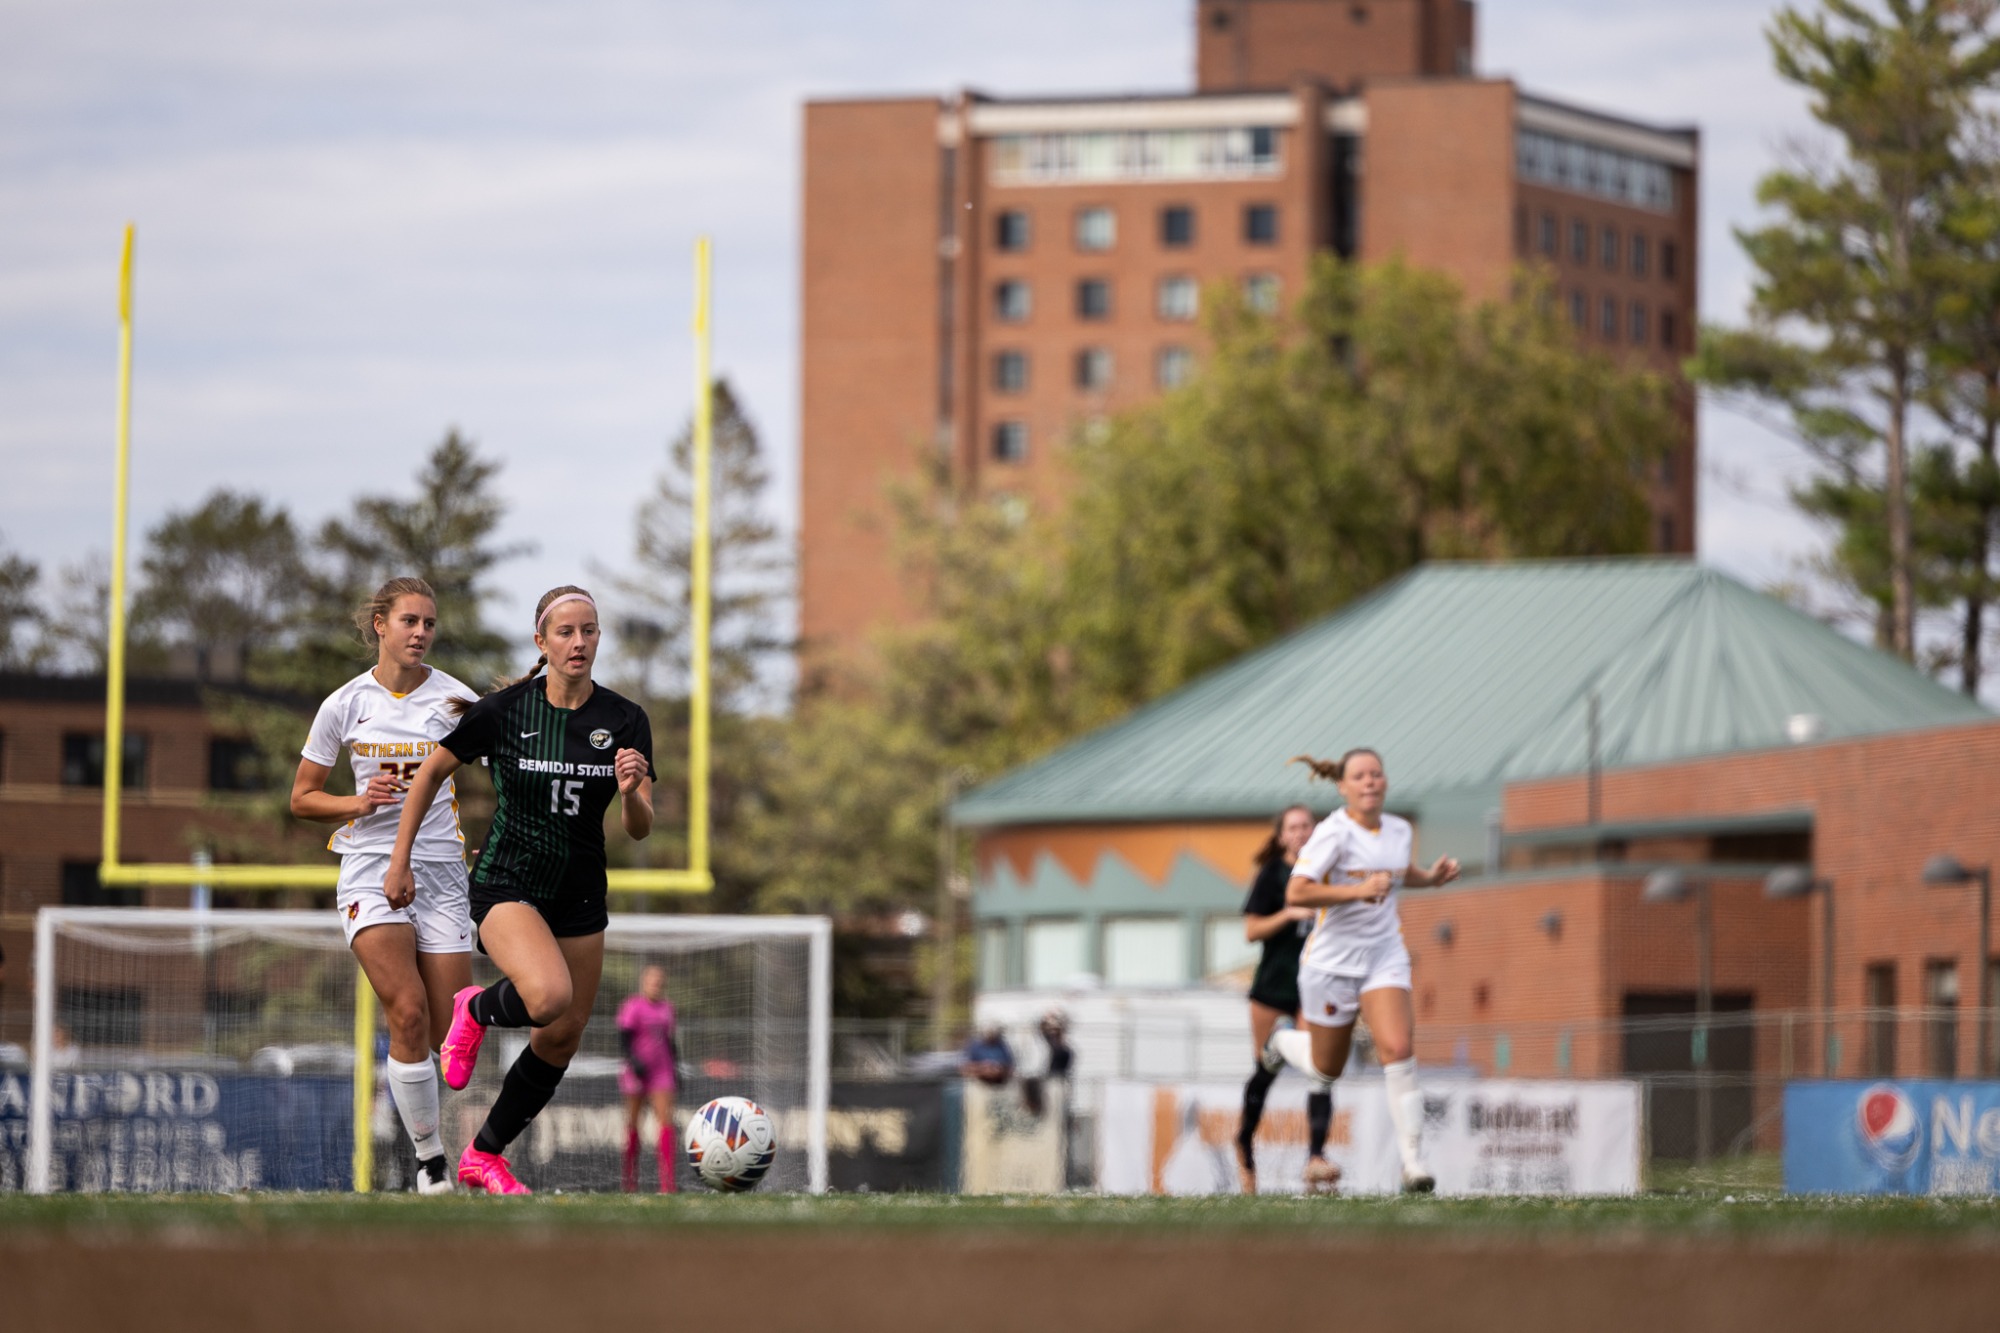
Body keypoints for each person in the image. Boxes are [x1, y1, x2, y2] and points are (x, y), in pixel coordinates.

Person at [386, 584, 655, 1196]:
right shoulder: (506, 710)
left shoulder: (624, 719)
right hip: (509, 883)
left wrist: (634, 788)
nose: (579, 642)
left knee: (562, 1033)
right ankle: (473, 1008)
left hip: (580, 894)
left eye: (589, 630)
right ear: (541, 641)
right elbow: (430, 771)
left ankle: (483, 1155)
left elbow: (638, 829)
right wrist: (399, 859)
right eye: (565, 632)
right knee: (547, 995)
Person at [291, 576, 474, 1195]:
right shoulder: (344, 704)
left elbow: (507, 766)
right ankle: (429, 1162)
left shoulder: (456, 700)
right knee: (408, 1011)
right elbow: (302, 798)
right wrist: (357, 800)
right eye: (409, 622)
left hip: (443, 871)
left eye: (428, 624)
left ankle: (430, 1140)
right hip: (369, 865)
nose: (420, 633)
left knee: (448, 1031)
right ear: (380, 624)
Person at [1260, 750, 1459, 1194]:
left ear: (1385, 783)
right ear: (1343, 787)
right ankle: (1281, 1040)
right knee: (1325, 1070)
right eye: (1359, 776)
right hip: (1331, 963)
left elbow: (1398, 871)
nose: (1369, 782)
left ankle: (1413, 1163)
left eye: (1376, 774)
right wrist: (1357, 891)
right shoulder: (1332, 832)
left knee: (1398, 1047)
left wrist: (1431, 877)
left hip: (1383, 955)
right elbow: (1298, 891)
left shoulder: (1399, 830)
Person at [1234, 804, 1336, 1195]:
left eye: (1306, 825)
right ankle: (1244, 1143)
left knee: (1321, 1067)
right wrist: (1290, 913)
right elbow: (1251, 931)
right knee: (1266, 1069)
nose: (1301, 832)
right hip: (1273, 989)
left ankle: (1316, 1157)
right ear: (1282, 836)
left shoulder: (1326, 874)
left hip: (1313, 990)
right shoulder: (1272, 875)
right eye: (1293, 827)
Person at [617, 963, 680, 1193]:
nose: (656, 984)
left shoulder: (667, 1008)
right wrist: (634, 1062)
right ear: (644, 982)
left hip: (662, 1072)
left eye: (659, 981)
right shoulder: (633, 1006)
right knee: (633, 1124)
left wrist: (677, 1068)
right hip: (637, 1073)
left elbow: (670, 1041)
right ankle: (630, 1182)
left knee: (666, 1123)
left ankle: (667, 1184)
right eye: (652, 980)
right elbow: (624, 1038)